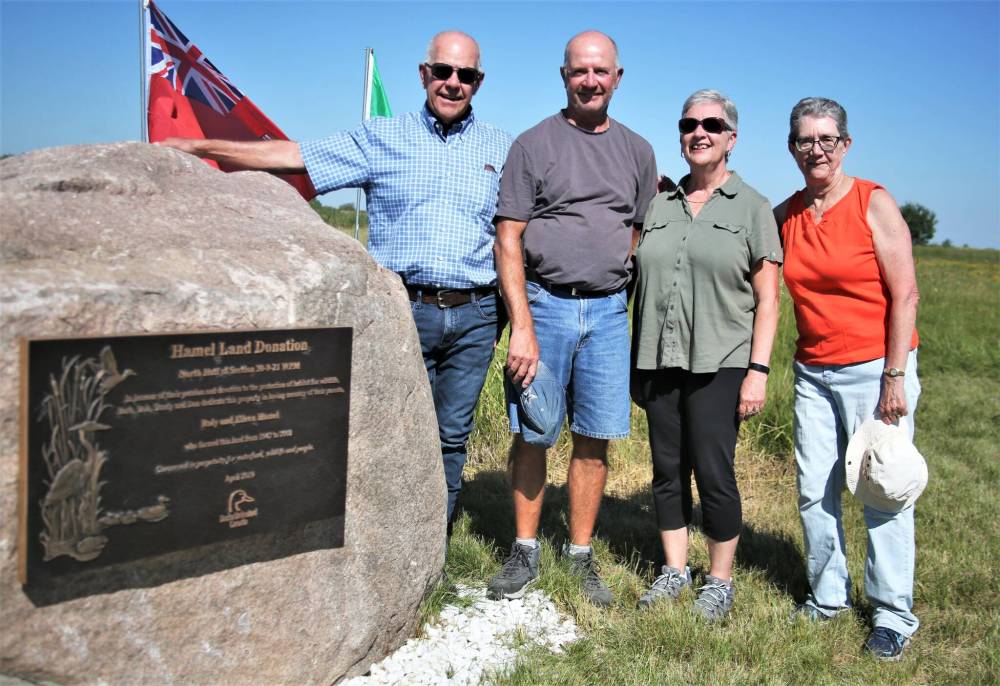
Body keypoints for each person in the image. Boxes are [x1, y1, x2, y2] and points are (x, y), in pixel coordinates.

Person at [159, 31, 512, 529]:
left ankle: (435, 538)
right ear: (423, 74)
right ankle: (385, 535)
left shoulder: (502, 148)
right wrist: (200, 146)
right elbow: (293, 156)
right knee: (390, 427)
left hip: (475, 317)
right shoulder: (382, 138)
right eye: (443, 72)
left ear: (479, 82)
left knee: (452, 434)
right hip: (402, 310)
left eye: (466, 75)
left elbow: (520, 230)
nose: (453, 84)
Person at [487, 31, 657, 606]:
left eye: (601, 71)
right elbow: (507, 238)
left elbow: (634, 231)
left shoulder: (637, 151)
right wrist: (523, 325)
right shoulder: (534, 144)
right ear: (564, 76)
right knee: (533, 433)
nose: (591, 80)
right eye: (580, 71)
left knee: (594, 439)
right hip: (546, 306)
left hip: (609, 313)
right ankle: (525, 550)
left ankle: (580, 557)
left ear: (617, 77)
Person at [775, 97, 922, 661]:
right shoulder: (787, 213)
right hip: (813, 370)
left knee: (882, 489)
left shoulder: (871, 202)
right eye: (805, 140)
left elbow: (904, 292)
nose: (816, 149)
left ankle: (892, 614)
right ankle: (827, 595)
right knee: (816, 489)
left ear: (845, 144)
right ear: (792, 148)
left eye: (826, 139)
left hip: (874, 368)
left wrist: (894, 376)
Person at [630, 90, 782, 621]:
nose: (700, 132)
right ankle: (674, 571)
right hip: (659, 355)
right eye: (690, 123)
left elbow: (769, 299)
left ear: (731, 138)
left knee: (715, 472)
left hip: (722, 361)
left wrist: (758, 372)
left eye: (712, 125)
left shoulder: (753, 208)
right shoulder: (659, 205)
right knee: (667, 469)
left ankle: (719, 580)